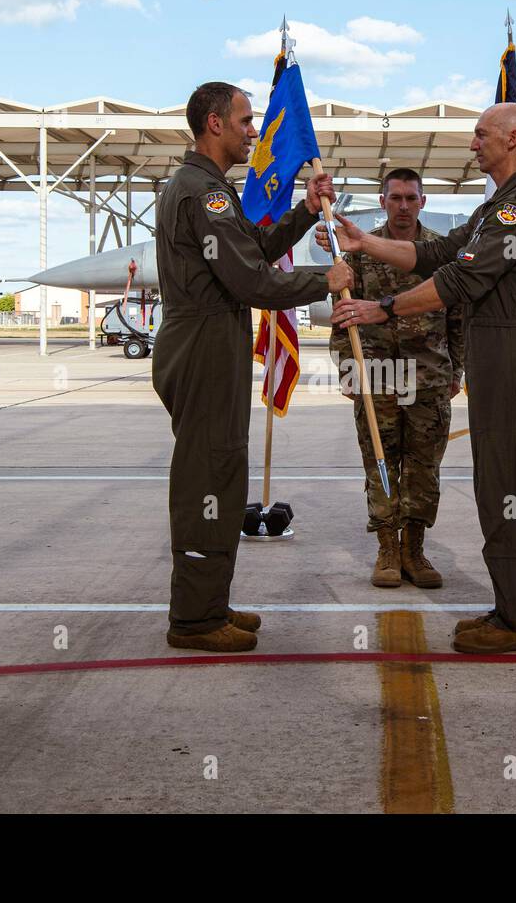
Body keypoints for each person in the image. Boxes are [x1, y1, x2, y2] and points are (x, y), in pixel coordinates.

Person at [327, 103, 516, 653]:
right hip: (497, 357)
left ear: (513, 137)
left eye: (481, 135)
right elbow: (434, 253)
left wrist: (384, 307)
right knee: (497, 485)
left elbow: (459, 277)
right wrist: (365, 244)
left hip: (513, 355)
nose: (473, 144)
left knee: (511, 489)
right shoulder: (494, 208)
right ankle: (512, 608)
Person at [153, 82, 353, 652]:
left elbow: (254, 249)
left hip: (211, 342)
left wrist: (304, 212)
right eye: (245, 121)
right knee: (205, 479)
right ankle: (193, 619)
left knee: (222, 473)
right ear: (214, 124)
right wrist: (324, 279)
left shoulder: (209, 189)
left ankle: (209, 602)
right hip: (202, 345)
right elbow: (250, 281)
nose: (253, 132)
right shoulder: (202, 194)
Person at [329, 168, 464, 588]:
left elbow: (459, 318)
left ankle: (414, 549)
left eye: (411, 198)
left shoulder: (440, 251)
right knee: (381, 462)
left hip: (429, 376)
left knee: (424, 466)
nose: (403, 206)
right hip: (377, 377)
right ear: (383, 201)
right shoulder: (359, 253)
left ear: (422, 202)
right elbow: (342, 316)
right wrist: (346, 367)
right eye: (395, 198)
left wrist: (457, 369)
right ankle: (387, 548)